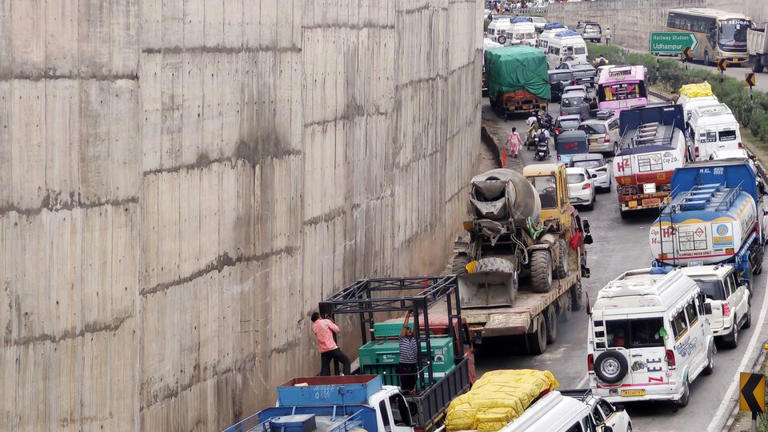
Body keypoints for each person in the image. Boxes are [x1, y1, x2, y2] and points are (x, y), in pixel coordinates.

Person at [397, 310, 419, 392]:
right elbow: (405, 326)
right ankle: (406, 394)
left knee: (412, 383)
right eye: (408, 330)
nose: (409, 330)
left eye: (410, 330)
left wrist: (416, 316)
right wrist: (408, 316)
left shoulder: (414, 338)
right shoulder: (402, 339)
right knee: (405, 385)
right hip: (404, 366)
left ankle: (411, 392)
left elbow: (415, 327)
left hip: (413, 365)